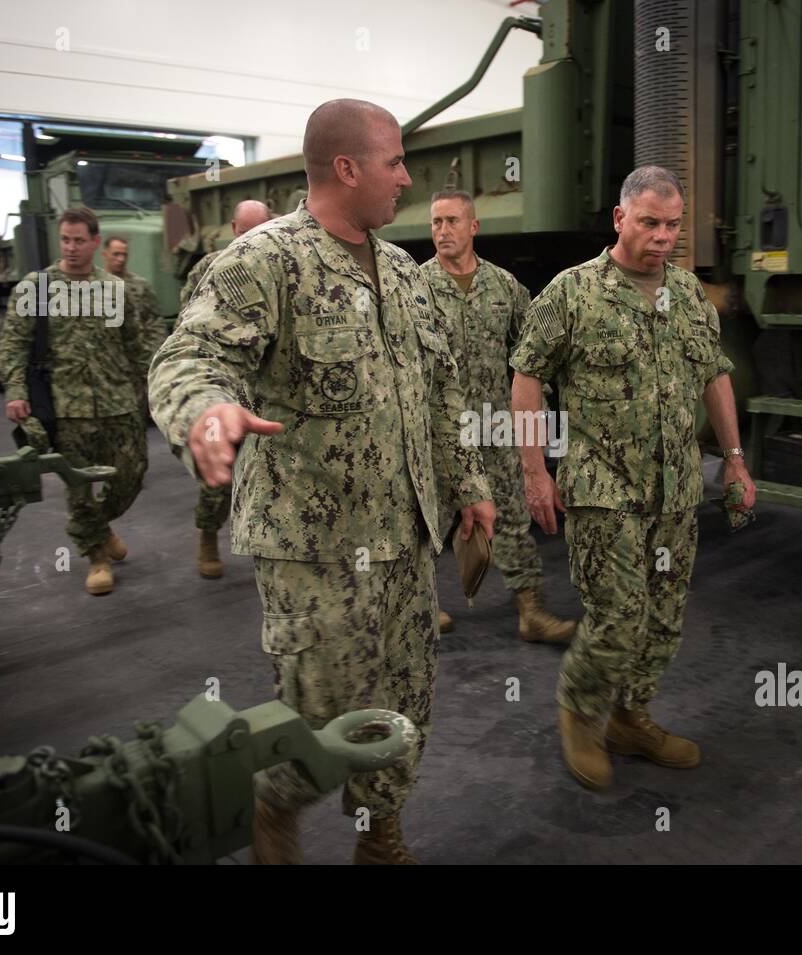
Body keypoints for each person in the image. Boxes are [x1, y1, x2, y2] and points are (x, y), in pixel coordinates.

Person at [149, 99, 494, 864]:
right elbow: (189, 356)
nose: (407, 177)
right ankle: (276, 801)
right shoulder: (265, 260)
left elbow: (439, 390)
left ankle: (380, 834)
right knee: (322, 707)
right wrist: (205, 414)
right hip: (315, 547)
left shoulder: (403, 271)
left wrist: (468, 482)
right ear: (347, 168)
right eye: (395, 161)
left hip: (404, 539)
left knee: (404, 701)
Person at [509, 165, 757, 791]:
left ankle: (630, 717)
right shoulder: (572, 292)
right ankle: (581, 714)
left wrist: (733, 458)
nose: (663, 236)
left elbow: (714, 375)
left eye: (673, 225)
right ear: (620, 219)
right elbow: (528, 378)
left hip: (675, 489)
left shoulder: (687, 294)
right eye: (650, 222)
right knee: (618, 616)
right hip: (602, 489)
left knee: (664, 617)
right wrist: (535, 472)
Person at [420, 189, 575, 643]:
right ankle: (419, 608)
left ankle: (530, 611)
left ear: (473, 227)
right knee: (428, 521)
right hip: (440, 431)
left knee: (512, 517)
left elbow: (531, 359)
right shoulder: (413, 288)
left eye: (451, 221)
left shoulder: (505, 287)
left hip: (496, 425)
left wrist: (540, 418)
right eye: (435, 223)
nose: (442, 231)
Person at [0, 207, 150, 596]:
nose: (71, 248)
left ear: (95, 242)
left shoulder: (114, 289)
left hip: (120, 401)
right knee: (79, 487)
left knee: (130, 478)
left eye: (79, 240)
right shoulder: (38, 287)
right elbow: (13, 343)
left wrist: (156, 386)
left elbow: (135, 345)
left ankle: (94, 526)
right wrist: (16, 391)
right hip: (67, 408)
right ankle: (97, 558)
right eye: (65, 240)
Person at [175, 199, 273, 578]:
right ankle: (207, 534)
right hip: (227, 389)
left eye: (258, 228)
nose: (249, 237)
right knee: (219, 470)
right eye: (244, 229)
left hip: (268, 393)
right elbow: (192, 330)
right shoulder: (208, 268)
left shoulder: (278, 262)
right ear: (233, 228)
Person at [101, 234, 165, 421]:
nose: (120, 259)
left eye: (124, 254)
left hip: (135, 363)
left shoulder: (140, 286)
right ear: (105, 254)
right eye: (115, 254)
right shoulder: (95, 286)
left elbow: (155, 323)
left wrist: (153, 356)